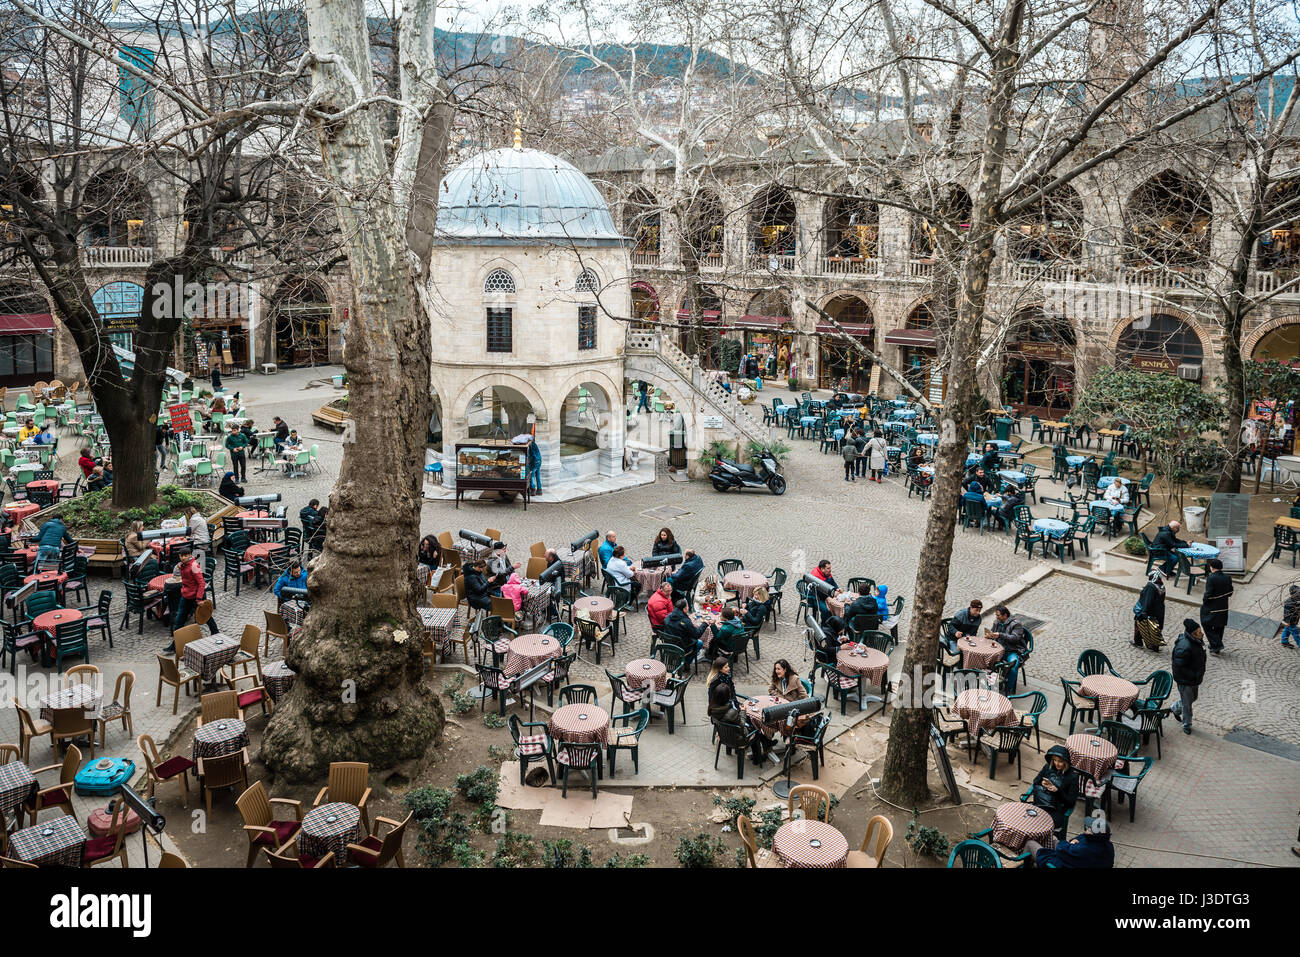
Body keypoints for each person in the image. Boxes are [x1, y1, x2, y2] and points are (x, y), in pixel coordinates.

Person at [1028, 811, 1115, 868]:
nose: (1086, 829)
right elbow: (1077, 839)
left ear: (1093, 834)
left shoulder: (1083, 849)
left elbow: (1062, 848)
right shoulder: (1108, 845)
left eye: (1089, 829)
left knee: (1030, 843)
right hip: (1075, 859)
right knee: (1053, 839)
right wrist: (1072, 843)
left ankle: (1025, 863)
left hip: (1065, 863)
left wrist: (1072, 844)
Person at [1028, 745, 1079, 835]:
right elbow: (1035, 782)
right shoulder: (1048, 767)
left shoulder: (1072, 777)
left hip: (1056, 810)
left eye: (1060, 761)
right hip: (1040, 803)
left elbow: (1071, 802)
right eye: (1054, 760)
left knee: (1038, 826)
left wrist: (1057, 791)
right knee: (1026, 820)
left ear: (1066, 762)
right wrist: (1041, 783)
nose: (1057, 763)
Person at [1170, 618, 1207, 735]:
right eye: (1199, 632)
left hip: (1194, 679)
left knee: (1192, 699)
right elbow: (1178, 666)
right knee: (1187, 704)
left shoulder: (1196, 642)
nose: (1202, 633)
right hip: (1186, 680)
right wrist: (1192, 675)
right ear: (1192, 634)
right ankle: (1187, 724)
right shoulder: (1184, 647)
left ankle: (1175, 708)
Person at [986, 604, 1028, 693]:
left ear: (1005, 615)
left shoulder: (1016, 624)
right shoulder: (996, 622)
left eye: (998, 615)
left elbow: (1015, 638)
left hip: (1012, 651)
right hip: (998, 650)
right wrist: (990, 636)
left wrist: (1000, 635)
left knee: (1012, 667)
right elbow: (994, 633)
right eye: (996, 615)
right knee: (986, 662)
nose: (996, 617)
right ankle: (991, 685)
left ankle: (1008, 689)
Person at [1199, 558, 1233, 654]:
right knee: (1219, 626)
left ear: (1212, 567)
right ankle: (1215, 646)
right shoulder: (1227, 577)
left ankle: (1216, 643)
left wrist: (1205, 600)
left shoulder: (1211, 577)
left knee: (1205, 622)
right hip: (1224, 607)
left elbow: (1208, 593)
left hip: (1212, 607)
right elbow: (1230, 592)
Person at [171, 547, 206, 634]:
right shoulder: (183, 565)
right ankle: (175, 643)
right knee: (179, 620)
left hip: (195, 597)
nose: (183, 558)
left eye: (185, 556)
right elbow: (175, 574)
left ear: (190, 555)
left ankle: (215, 632)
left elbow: (201, 583)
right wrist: (179, 566)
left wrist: (199, 599)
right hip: (186, 596)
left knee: (206, 617)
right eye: (181, 556)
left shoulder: (194, 566)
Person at [1132, 568, 1167, 648]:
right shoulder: (1161, 586)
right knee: (1154, 628)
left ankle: (1138, 642)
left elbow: (1148, 600)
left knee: (1139, 625)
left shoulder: (1150, 587)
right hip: (1159, 612)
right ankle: (1154, 645)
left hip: (1148, 611)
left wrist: (1144, 612)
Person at [1281, 584, 1300, 648]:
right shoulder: (1289, 603)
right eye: (1298, 593)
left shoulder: (1297, 600)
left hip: (1294, 620)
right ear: (1294, 594)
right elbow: (1286, 614)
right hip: (1290, 621)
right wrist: (1287, 623)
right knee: (1296, 634)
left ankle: (1284, 641)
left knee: (1287, 630)